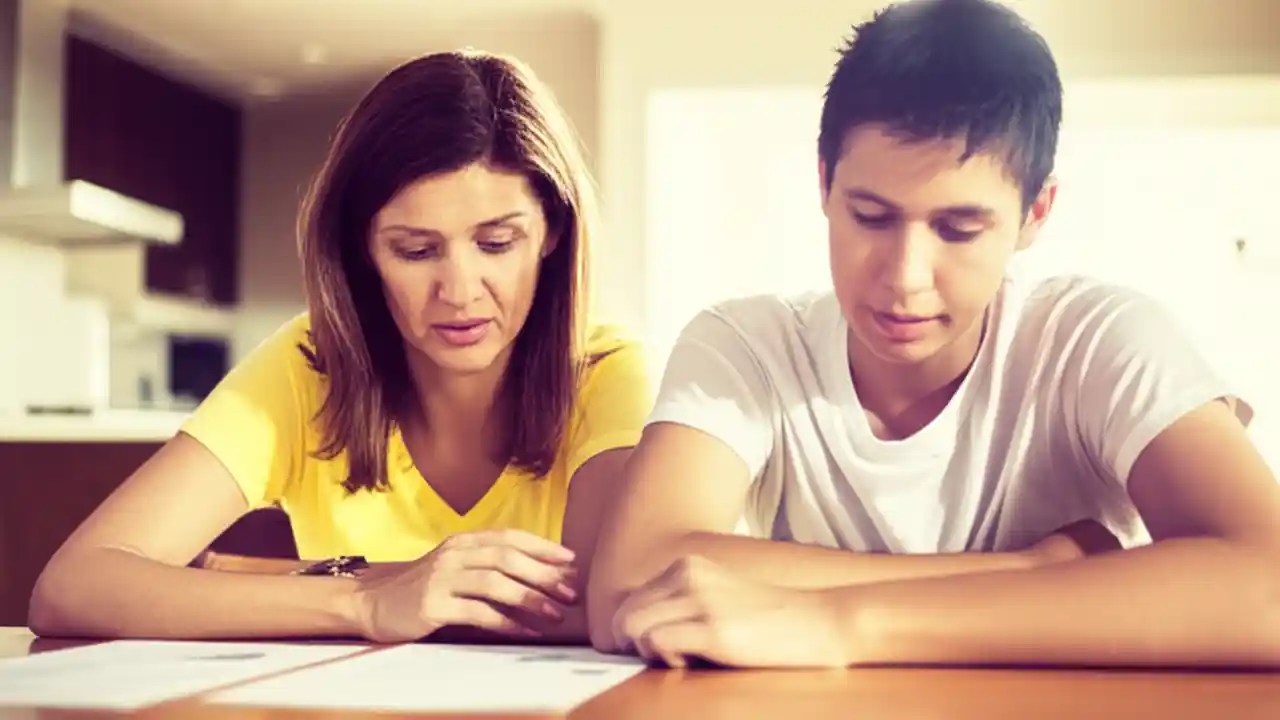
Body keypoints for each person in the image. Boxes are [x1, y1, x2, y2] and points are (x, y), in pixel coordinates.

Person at [588, 0, 1280, 668]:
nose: (905, 277)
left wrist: (838, 625)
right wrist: (1024, 570)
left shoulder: (1097, 341)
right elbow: (629, 580)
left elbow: (1268, 586)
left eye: (958, 230)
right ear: (825, 183)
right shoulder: (746, 344)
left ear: (1035, 213)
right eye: (871, 217)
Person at [30, 49, 652, 644]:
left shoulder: (602, 368)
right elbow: (73, 587)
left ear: (552, 234)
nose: (460, 292)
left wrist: (320, 580)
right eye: (415, 250)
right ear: (362, 252)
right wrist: (367, 601)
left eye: (496, 244)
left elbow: (603, 599)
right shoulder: (307, 365)